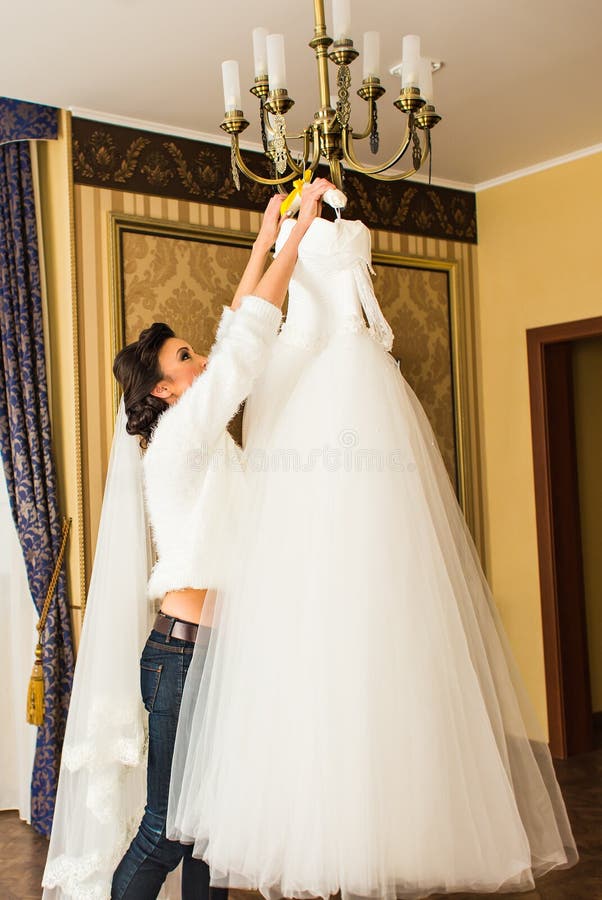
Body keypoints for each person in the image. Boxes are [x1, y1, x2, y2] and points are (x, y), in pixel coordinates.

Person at [167, 209, 578, 900]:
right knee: (321, 576)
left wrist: (285, 224)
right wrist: (284, 224)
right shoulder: (324, 248)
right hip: (311, 382)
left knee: (345, 575)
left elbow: (265, 313)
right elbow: (256, 312)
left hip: (324, 383)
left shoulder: (333, 239)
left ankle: (346, 815)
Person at [42, 179, 336, 900]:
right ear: (165, 390)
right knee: (167, 829)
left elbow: (237, 327)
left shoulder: (188, 432)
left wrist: (266, 230)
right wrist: (298, 229)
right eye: (185, 358)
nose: (200, 359)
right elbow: (249, 337)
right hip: (181, 655)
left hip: (217, 656)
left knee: (212, 829)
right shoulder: (180, 441)